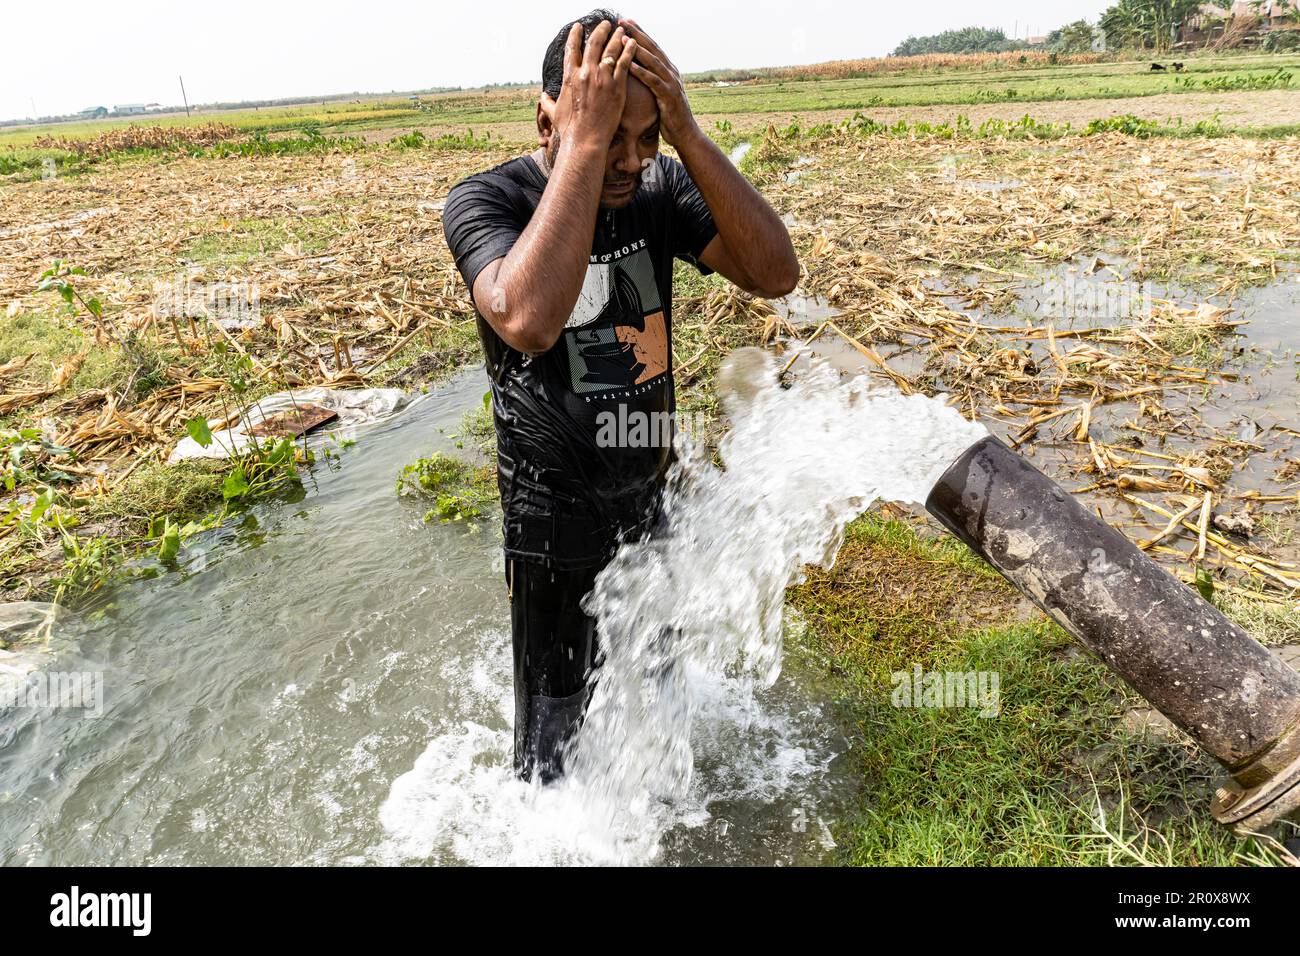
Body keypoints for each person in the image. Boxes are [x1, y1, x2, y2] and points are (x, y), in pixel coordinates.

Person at [442, 9, 798, 783]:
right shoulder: (486, 202)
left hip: (649, 493)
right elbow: (528, 320)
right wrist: (583, 144)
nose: (631, 160)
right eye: (611, 136)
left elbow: (775, 273)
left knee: (663, 685)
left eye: (647, 137)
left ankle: (664, 808)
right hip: (552, 515)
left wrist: (691, 136)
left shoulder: (662, 188)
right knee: (552, 739)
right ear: (549, 119)